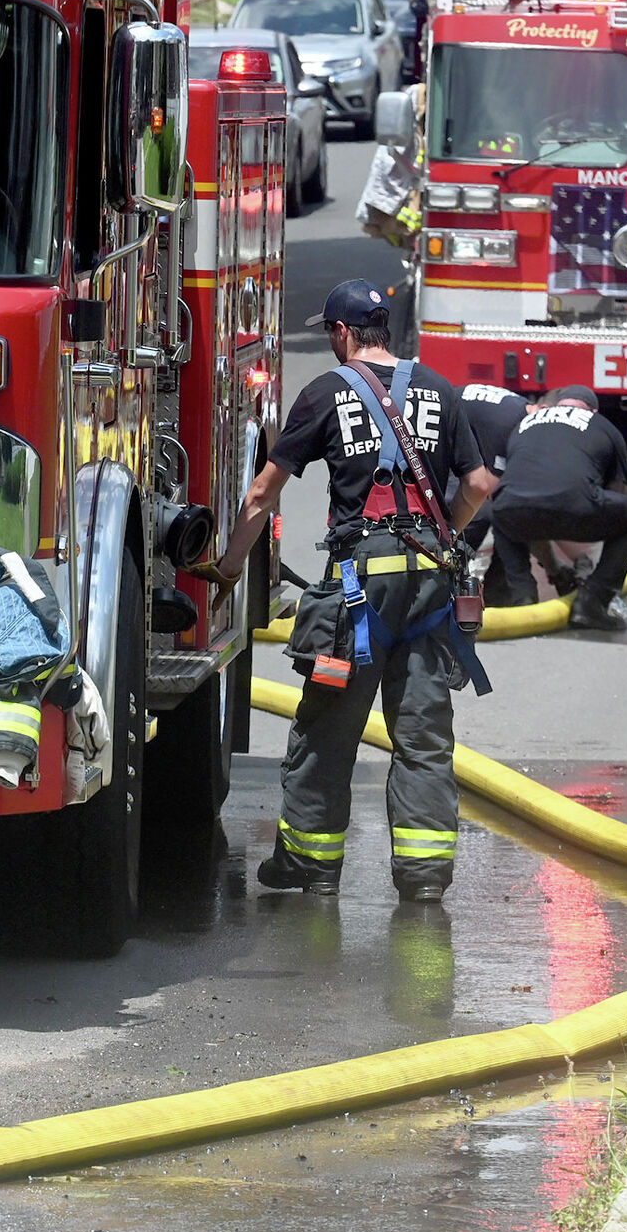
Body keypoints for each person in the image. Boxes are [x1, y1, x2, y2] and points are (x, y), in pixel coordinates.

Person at [208, 279, 493, 902]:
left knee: (327, 732)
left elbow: (261, 495)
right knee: (422, 736)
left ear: (341, 334)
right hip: (428, 587)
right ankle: (422, 879)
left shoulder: (326, 393)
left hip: (358, 596)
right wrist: (444, 534)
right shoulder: (440, 390)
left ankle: (312, 866)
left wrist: (228, 570)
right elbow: (476, 483)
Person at [490, 386, 627, 632]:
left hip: (513, 510)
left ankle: (521, 598)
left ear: (557, 404)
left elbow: (526, 484)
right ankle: (592, 602)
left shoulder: (527, 422)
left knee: (504, 514)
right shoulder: (603, 425)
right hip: (575, 506)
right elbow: (618, 495)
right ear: (593, 411)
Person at [452, 381, 534, 606]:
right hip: (438, 429)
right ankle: (448, 574)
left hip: (458, 428)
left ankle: (497, 593)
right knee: (487, 513)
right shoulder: (510, 424)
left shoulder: (519, 412)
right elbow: (491, 492)